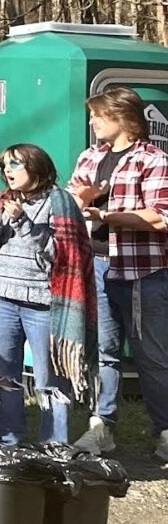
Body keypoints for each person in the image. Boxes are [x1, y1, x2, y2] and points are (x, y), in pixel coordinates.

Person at [0, 144, 95, 447]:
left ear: (37, 168)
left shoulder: (61, 204)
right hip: (0, 299)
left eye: (15, 164)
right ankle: (8, 442)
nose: (8, 171)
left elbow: (59, 256)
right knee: (3, 375)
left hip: (43, 305)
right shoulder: (2, 200)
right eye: (5, 166)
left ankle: (54, 445)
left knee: (51, 379)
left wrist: (21, 222)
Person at [68, 85, 168, 459]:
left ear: (122, 118)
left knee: (152, 355)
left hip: (143, 271)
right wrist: (83, 200)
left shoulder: (154, 160)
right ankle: (101, 426)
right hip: (97, 265)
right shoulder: (90, 157)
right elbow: (73, 203)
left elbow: (159, 216)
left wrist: (106, 215)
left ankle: (164, 431)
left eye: (98, 115)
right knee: (105, 351)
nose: (92, 121)